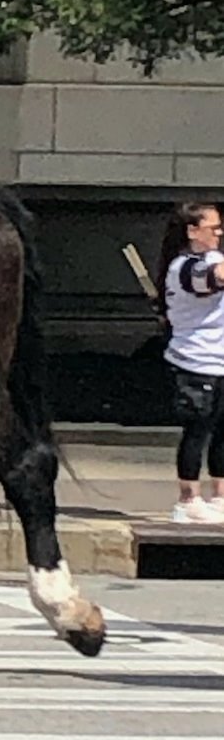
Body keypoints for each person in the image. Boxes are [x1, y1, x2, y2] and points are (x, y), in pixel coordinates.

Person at [156, 200, 224, 524]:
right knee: (198, 429)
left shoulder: (214, 257)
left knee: (222, 431)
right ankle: (188, 498)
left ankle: (220, 495)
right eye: (213, 228)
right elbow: (211, 279)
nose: (219, 233)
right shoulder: (183, 267)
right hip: (195, 360)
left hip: (221, 359)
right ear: (192, 231)